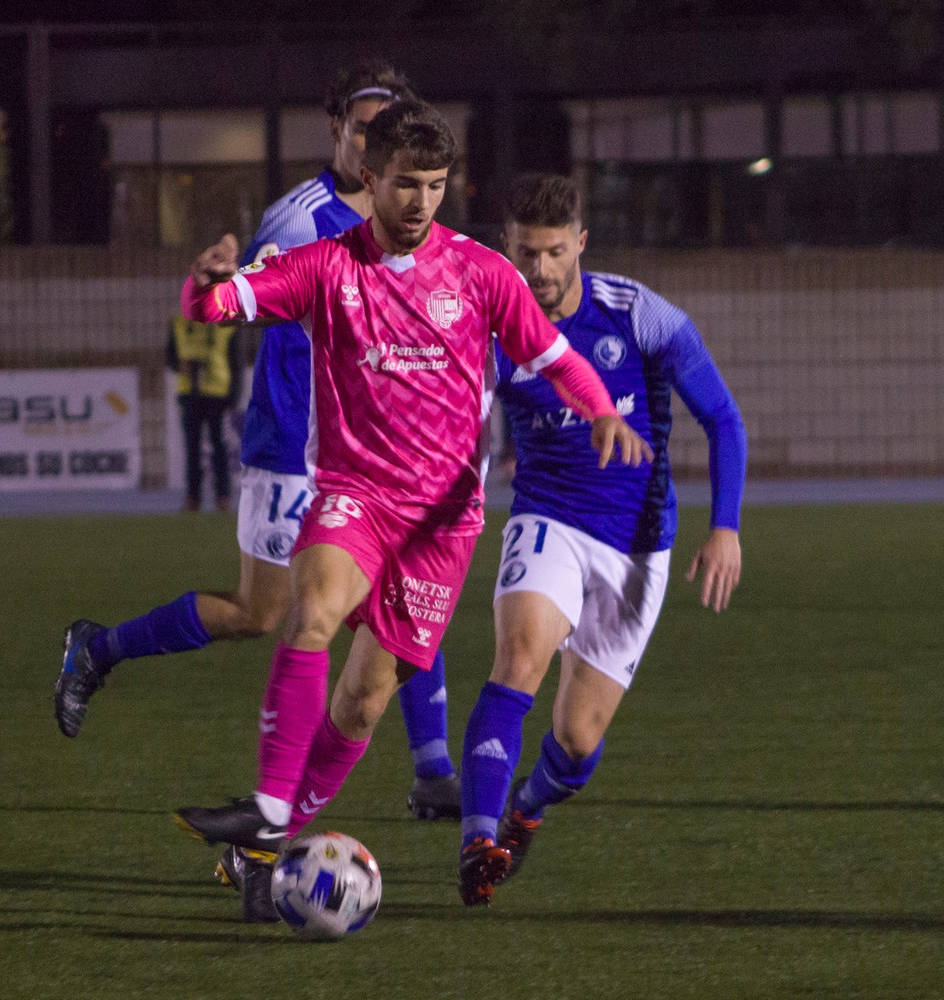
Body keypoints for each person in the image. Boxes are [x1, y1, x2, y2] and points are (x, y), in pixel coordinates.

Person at [170, 102, 653, 922]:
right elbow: (213, 309)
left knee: (361, 703)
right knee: (313, 611)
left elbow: (556, 358)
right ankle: (272, 809)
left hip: (442, 527)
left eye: (434, 185)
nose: (421, 201)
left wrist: (602, 408)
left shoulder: (480, 273)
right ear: (371, 179)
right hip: (354, 497)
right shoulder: (323, 267)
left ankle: (264, 844)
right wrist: (204, 279)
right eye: (405, 184)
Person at [54, 61, 461, 822]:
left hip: (376, 460)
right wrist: (215, 281)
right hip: (293, 447)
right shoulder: (298, 219)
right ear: (337, 130)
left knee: (408, 596)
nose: (375, 142)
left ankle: (433, 774)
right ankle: (99, 648)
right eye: (364, 128)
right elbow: (243, 301)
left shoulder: (417, 225)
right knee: (258, 613)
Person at [455, 173, 747, 906]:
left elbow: (723, 419)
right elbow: (461, 431)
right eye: (527, 253)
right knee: (519, 658)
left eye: (556, 252)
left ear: (581, 242)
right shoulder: (490, 331)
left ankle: (526, 810)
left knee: (578, 739)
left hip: (638, 543)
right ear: (506, 247)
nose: (541, 269)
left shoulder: (637, 312)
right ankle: (477, 839)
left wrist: (725, 527)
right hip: (546, 517)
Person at [168, 311, 239, 512]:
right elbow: (171, 355)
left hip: (217, 392)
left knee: (219, 447)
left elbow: (235, 359)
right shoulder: (179, 322)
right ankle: (193, 497)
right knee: (192, 448)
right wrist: (179, 365)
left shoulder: (226, 321)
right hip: (189, 391)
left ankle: (223, 496)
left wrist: (234, 394)